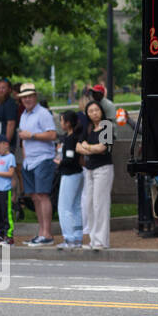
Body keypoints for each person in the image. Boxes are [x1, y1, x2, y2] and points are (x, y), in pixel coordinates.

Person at [16, 82, 58, 247]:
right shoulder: (24, 115)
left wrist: (32, 135)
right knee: (34, 197)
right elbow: (24, 140)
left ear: (35, 97)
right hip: (29, 161)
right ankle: (41, 232)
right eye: (24, 97)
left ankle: (47, 234)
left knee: (42, 195)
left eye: (29, 96)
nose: (27, 99)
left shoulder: (43, 113)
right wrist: (25, 158)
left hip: (43, 159)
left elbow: (52, 134)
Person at [78, 100, 114, 250]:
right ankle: (93, 239)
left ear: (101, 111)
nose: (94, 113)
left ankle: (101, 240)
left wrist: (88, 147)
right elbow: (78, 147)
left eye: (96, 110)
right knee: (90, 205)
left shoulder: (107, 126)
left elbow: (103, 148)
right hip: (90, 169)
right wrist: (89, 149)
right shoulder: (87, 128)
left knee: (101, 204)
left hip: (103, 169)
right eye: (91, 111)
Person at [54, 110, 86, 250]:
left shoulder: (70, 139)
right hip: (78, 173)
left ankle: (69, 237)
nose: (60, 123)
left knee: (64, 207)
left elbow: (69, 159)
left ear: (67, 123)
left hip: (70, 174)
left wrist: (59, 163)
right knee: (76, 206)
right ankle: (78, 236)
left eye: (61, 120)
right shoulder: (73, 137)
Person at [0, 78, 20, 148]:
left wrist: (5, 144)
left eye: (3, 88)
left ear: (9, 90)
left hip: (3, 146)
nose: (0, 90)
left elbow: (11, 124)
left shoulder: (10, 103)